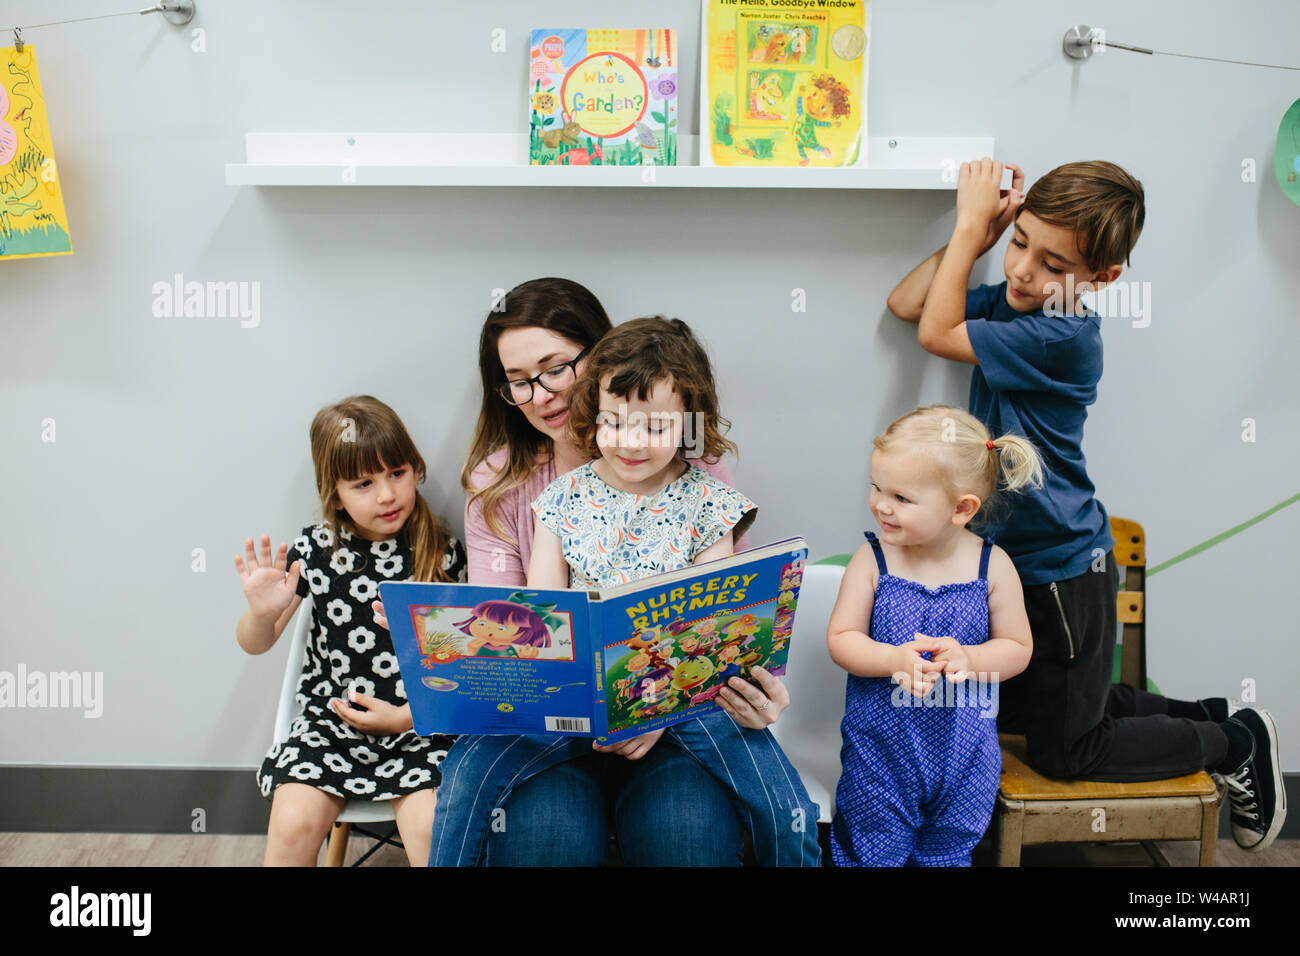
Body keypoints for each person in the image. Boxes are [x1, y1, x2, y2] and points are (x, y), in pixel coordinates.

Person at [886, 158, 1285, 851]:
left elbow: (935, 333)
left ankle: (1229, 743)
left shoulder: (1063, 334)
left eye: (1052, 263)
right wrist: (978, 240)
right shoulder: (1020, 303)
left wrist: (975, 223)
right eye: (1021, 244)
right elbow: (910, 304)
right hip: (1019, 562)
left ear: (1101, 281)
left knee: (1069, 751)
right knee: (1046, 707)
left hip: (1060, 570)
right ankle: (1219, 715)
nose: (1023, 273)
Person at [409, 278, 818, 866]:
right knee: (469, 775)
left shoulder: (707, 489)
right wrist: (444, 634)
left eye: (554, 369)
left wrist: (668, 703)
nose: (540, 393)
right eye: (520, 381)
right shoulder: (545, 496)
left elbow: (719, 618)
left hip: (680, 708)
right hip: (565, 710)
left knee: (779, 812)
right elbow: (537, 623)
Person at [235, 396, 465, 866]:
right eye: (364, 483)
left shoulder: (441, 551)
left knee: (430, 826)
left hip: (419, 728)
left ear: (415, 469)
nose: (386, 495)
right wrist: (261, 614)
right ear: (334, 493)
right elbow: (255, 644)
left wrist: (409, 714)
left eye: (397, 473)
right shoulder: (315, 550)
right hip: (331, 726)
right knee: (293, 821)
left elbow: (462, 661)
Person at [827, 406, 1038, 866]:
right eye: (877, 488)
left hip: (965, 761)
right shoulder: (874, 560)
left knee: (947, 855)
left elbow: (1019, 648)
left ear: (962, 509)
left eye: (902, 497)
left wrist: (972, 659)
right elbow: (842, 637)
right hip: (879, 757)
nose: (881, 504)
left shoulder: (993, 566)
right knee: (873, 852)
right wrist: (891, 661)